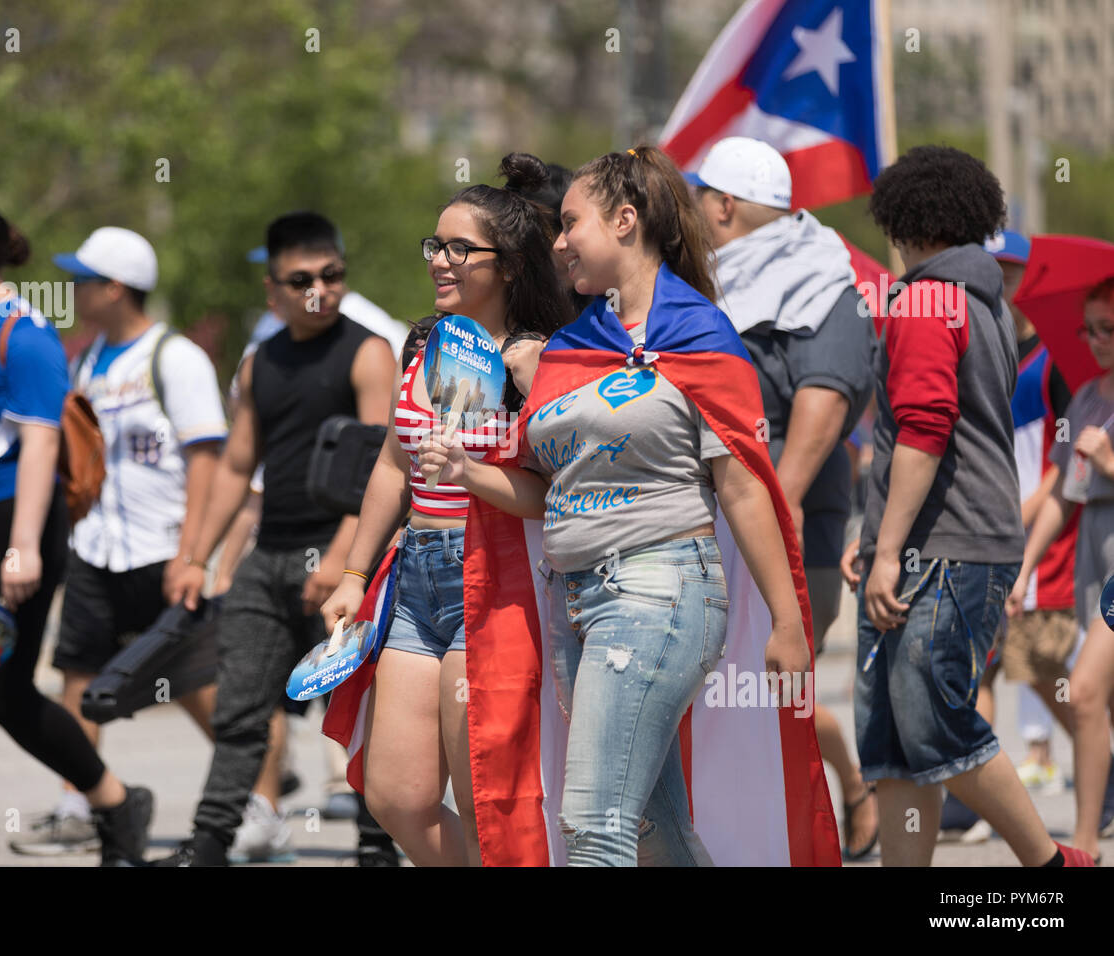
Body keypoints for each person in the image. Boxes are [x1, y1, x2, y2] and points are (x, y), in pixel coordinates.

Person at [419, 145, 822, 866]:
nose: (560, 241)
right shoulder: (575, 347)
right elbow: (546, 495)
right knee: (653, 829)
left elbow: (741, 484)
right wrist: (466, 470)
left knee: (594, 821)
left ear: (626, 222)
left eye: (571, 224)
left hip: (660, 594)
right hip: (578, 606)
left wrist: (787, 621)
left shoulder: (699, 336)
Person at [318, 155, 570, 867]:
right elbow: (393, 466)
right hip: (413, 579)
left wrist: (471, 473)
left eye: (462, 249)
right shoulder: (423, 345)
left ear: (512, 265)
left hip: (493, 580)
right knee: (395, 796)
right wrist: (350, 573)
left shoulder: (534, 363)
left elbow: (550, 497)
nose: (441, 261)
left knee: (488, 792)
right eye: (436, 245)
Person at [855, 145, 1091, 866]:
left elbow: (924, 431)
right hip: (946, 538)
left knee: (933, 725)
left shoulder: (928, 299)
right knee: (893, 739)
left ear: (901, 220)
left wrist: (889, 549)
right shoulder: (977, 296)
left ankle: (1052, 864)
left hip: (945, 542)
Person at [158, 211, 398, 866]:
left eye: (331, 276)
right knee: (240, 708)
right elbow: (238, 467)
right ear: (274, 291)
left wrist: (347, 560)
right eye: (301, 279)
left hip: (344, 559)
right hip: (268, 559)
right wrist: (193, 558)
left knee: (356, 710)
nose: (318, 290)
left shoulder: (370, 350)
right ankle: (209, 844)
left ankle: (377, 847)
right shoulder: (258, 362)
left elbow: (384, 463)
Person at [0, 197, 153, 865]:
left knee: (1, 693)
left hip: (7, 533)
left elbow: (45, 447)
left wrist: (22, 547)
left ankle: (114, 801)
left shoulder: (23, 332)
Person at [688, 136, 878, 860]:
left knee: (767, 692)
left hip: (790, 528)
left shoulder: (819, 276)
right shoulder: (711, 277)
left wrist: (782, 495)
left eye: (701, 199)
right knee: (724, 702)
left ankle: (803, 822)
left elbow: (827, 391)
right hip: (707, 528)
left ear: (726, 205)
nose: (695, 211)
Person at [10, 226, 224, 860]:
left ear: (116, 288)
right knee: (77, 673)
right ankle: (81, 803)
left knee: (193, 681)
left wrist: (193, 557)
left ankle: (259, 795)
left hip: (161, 552)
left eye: (82, 279)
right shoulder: (85, 358)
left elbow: (209, 461)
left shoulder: (174, 357)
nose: (72, 289)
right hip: (95, 547)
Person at [1007, 275, 1114, 860]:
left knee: (1088, 690)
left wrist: (1109, 460)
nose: (1096, 340)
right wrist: (1024, 568)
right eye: (1088, 328)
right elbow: (1061, 497)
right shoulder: (1087, 398)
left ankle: (1083, 845)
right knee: (1098, 697)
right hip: (1092, 560)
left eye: (1108, 329)